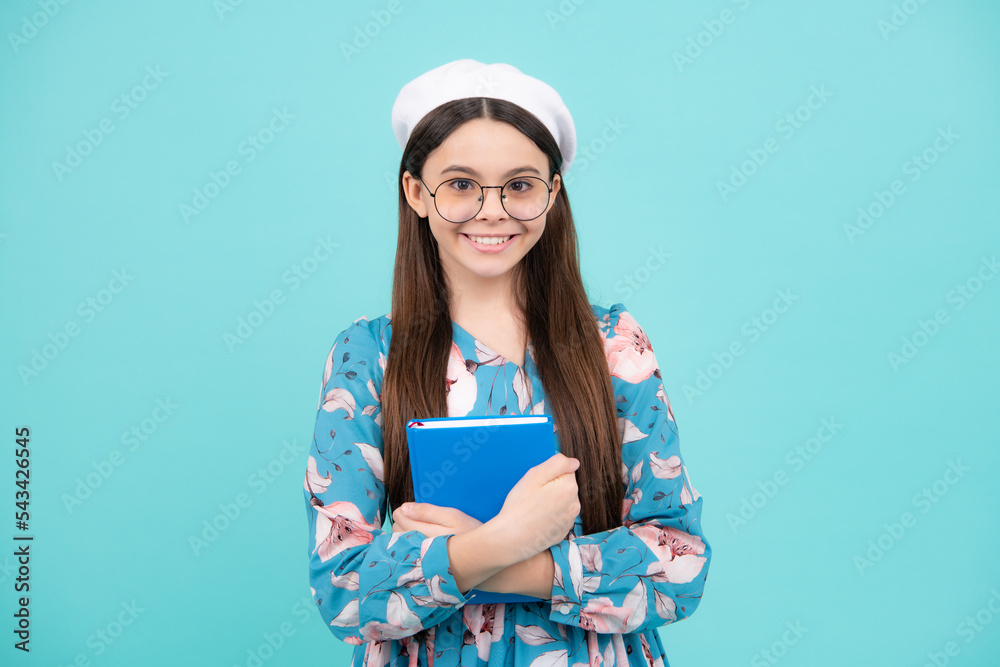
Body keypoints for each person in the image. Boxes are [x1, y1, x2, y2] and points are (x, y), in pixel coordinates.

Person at [303, 59, 710, 666]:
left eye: (519, 185)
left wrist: (490, 554)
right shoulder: (368, 357)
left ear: (552, 192)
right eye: (461, 184)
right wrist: (511, 538)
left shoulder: (613, 346)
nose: (492, 211)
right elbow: (343, 590)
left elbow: (680, 564)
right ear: (416, 192)